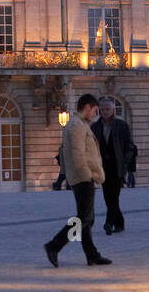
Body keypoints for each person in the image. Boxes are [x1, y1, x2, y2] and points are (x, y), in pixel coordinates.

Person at [43, 94, 111, 267]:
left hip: (82, 176)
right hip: (82, 177)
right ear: (87, 107)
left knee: (86, 218)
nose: (95, 114)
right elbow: (78, 154)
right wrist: (88, 174)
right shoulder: (76, 126)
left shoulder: (80, 124)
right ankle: (54, 246)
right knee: (83, 218)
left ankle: (92, 255)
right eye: (95, 110)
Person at [90, 97, 133, 234]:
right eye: (102, 109)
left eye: (107, 109)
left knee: (113, 195)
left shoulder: (122, 125)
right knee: (108, 196)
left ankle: (109, 223)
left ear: (113, 110)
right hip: (102, 166)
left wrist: (125, 161)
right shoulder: (95, 127)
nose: (105, 112)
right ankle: (119, 223)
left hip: (117, 165)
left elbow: (129, 146)